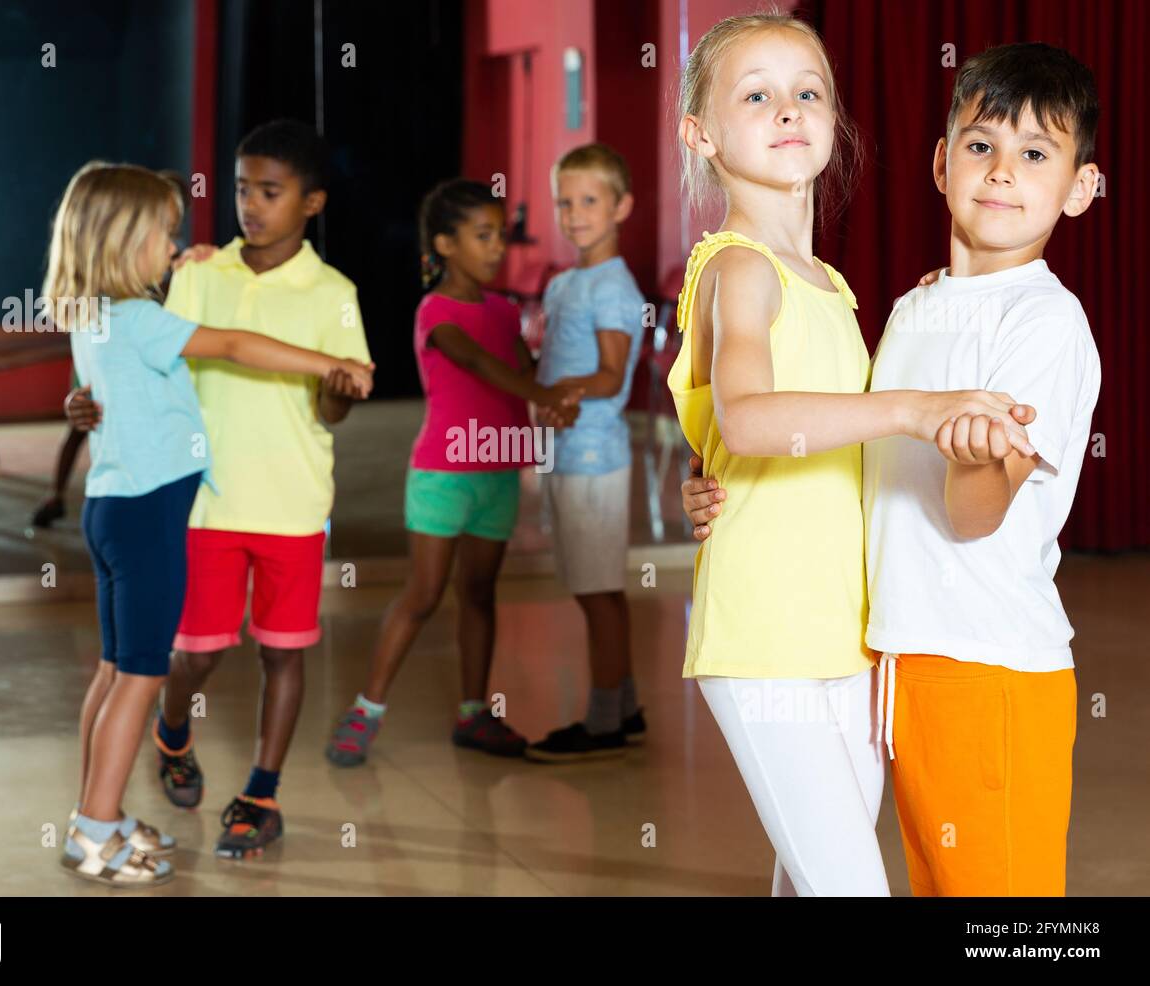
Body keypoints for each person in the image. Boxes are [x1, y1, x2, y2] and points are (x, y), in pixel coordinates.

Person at [668, 13, 1035, 896]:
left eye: (809, 92)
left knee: (814, 877)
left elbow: (773, 431)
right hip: (765, 636)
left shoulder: (830, 285)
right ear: (702, 134)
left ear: (835, 121)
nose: (789, 108)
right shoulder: (738, 268)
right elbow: (752, 421)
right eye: (756, 94)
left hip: (850, 631)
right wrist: (911, 406)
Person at [51, 160, 371, 886]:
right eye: (163, 234)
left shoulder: (91, 310)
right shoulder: (140, 318)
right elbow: (230, 344)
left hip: (111, 510)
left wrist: (182, 261)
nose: (175, 247)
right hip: (150, 517)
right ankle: (96, 834)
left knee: (111, 673)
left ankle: (92, 814)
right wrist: (327, 362)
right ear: (123, 239)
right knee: (139, 676)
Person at [324, 178, 581, 767]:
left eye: (500, 236)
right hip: (442, 474)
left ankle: (474, 714)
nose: (497, 248)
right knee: (424, 592)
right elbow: (481, 364)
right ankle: (367, 708)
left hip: (498, 472)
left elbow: (521, 366)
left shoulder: (502, 309)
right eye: (482, 236)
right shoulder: (434, 311)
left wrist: (559, 395)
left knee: (480, 593)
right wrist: (541, 390)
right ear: (444, 244)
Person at [523, 143, 649, 762]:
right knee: (592, 586)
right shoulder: (566, 282)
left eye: (589, 201)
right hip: (567, 453)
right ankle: (623, 706)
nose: (574, 214)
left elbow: (609, 375)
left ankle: (604, 721)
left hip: (595, 458)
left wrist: (556, 393)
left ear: (621, 206)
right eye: (564, 202)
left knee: (598, 593)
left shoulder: (614, 286)